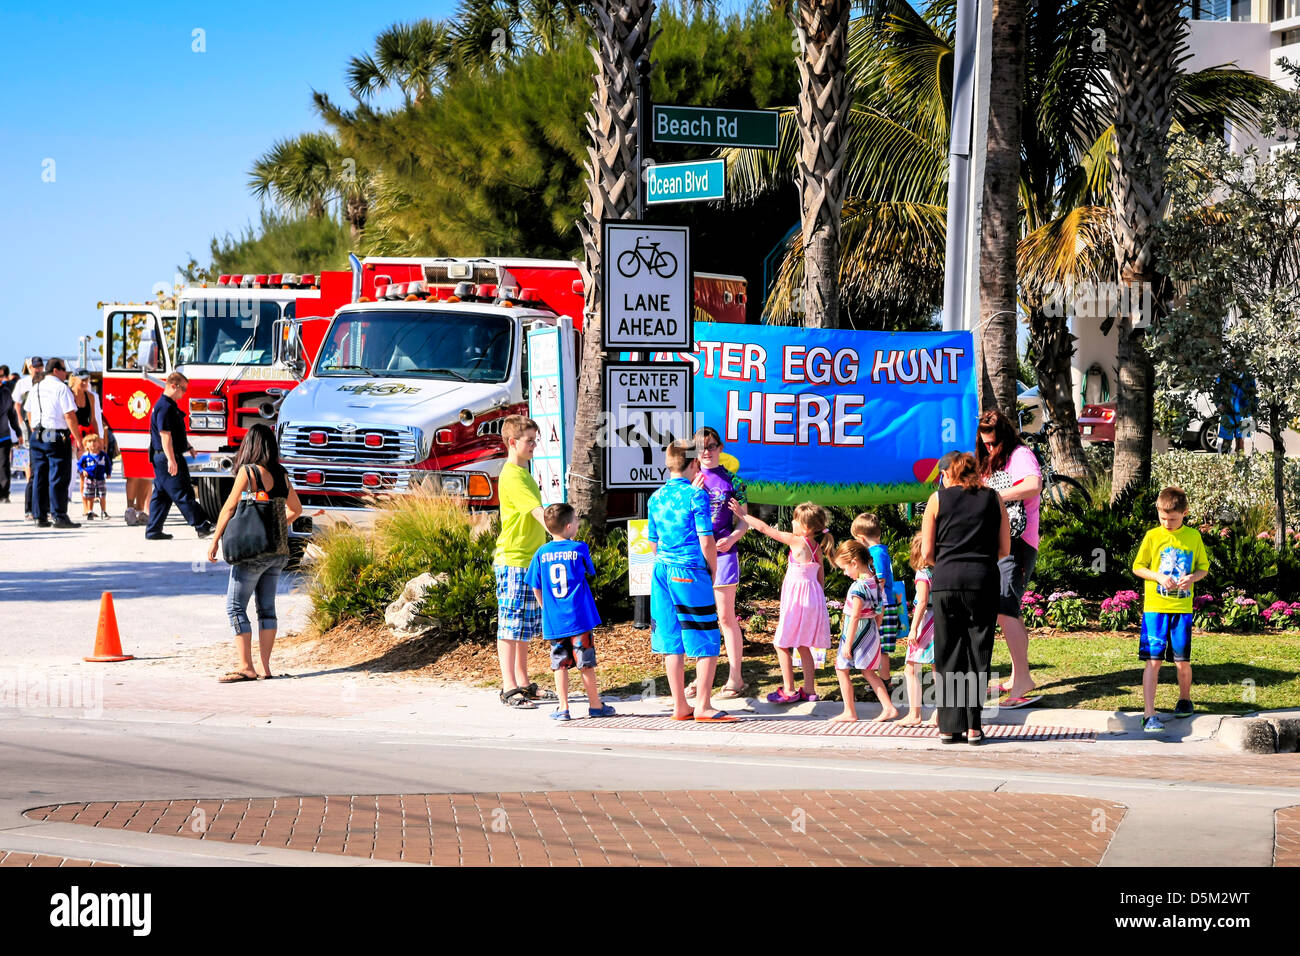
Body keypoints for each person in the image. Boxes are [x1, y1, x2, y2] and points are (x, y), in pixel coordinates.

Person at [921, 452, 1010, 745]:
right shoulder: (994, 498)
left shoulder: (938, 499)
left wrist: (947, 561)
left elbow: (926, 554)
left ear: (949, 474)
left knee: (948, 653)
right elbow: (1004, 550)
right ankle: (974, 726)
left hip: (946, 580)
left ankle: (949, 727)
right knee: (977, 652)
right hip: (982, 580)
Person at [648, 439, 736, 723]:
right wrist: (711, 570)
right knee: (706, 638)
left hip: (661, 570)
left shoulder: (655, 498)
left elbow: (653, 542)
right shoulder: (696, 496)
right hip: (689, 570)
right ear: (693, 463)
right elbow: (706, 539)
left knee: (672, 640)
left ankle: (680, 705)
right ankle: (704, 706)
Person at [207, 423, 302, 682]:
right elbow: (296, 509)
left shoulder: (248, 472)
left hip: (252, 553)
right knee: (267, 609)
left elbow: (228, 508)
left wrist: (215, 540)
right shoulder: (281, 474)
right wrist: (275, 525)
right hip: (277, 552)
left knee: (235, 606)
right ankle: (265, 667)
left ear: (249, 446)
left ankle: (246, 666)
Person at [731, 500, 833, 705]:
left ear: (805, 528)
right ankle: (809, 690)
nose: (792, 523)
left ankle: (789, 689)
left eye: (795, 520)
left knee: (781, 644)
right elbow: (820, 578)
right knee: (804, 645)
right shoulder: (816, 547)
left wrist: (743, 515)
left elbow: (765, 528)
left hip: (798, 601)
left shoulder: (797, 541)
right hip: (814, 597)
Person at [975, 408, 1042, 706]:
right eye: (984, 443)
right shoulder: (988, 458)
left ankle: (1023, 680)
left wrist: (997, 495)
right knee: (1009, 609)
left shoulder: (1020, 454)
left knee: (1004, 609)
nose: (989, 448)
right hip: (999, 543)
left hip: (1019, 543)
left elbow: (1033, 485)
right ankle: (1019, 676)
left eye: (993, 443)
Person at [526, 502, 616, 721]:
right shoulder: (579, 548)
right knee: (586, 662)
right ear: (568, 527)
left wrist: (544, 606)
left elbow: (535, 585)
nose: (578, 524)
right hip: (579, 617)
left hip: (555, 620)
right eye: (576, 521)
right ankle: (595, 705)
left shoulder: (540, 553)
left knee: (560, 664)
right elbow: (589, 570)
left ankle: (563, 707)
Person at [1132, 486, 1209, 734]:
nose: (1167, 523)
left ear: (1184, 513)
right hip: (1155, 609)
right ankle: (1149, 714)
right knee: (1153, 662)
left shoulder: (1193, 537)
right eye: (1163, 518)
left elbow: (1203, 569)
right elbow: (1138, 567)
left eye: (1173, 519)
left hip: (1182, 609)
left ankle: (1184, 700)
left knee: (1181, 662)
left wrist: (1192, 578)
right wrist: (1157, 576)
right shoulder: (1152, 536)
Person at [493, 415, 554, 709]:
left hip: (528, 558)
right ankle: (508, 687)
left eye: (535, 440)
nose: (533, 445)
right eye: (529, 441)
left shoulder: (523, 473)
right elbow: (536, 512)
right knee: (510, 625)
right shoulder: (513, 475)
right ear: (512, 442)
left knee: (524, 628)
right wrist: (559, 534)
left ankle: (522, 681)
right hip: (514, 559)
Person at [684, 426, 749, 700]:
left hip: (724, 555)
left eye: (711, 446)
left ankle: (736, 677)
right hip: (694, 556)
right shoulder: (688, 481)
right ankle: (702, 678)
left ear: (720, 448)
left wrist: (733, 537)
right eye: (701, 447)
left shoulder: (734, 481)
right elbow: (680, 518)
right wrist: (690, 494)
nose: (707, 452)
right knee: (699, 617)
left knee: (725, 616)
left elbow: (745, 521)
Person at [828, 540, 894, 723]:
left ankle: (850, 711)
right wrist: (875, 631)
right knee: (869, 672)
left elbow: (854, 617)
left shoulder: (858, 587)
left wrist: (848, 644)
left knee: (841, 669)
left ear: (854, 563)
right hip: (871, 632)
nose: (844, 573)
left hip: (856, 635)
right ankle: (888, 707)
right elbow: (880, 610)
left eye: (844, 568)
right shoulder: (875, 582)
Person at [145, 372, 212, 540]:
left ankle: (153, 530)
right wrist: (171, 460)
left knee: (162, 495)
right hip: (167, 455)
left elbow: (175, 433)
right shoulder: (165, 407)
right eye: (183, 389)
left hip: (164, 455)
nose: (184, 393)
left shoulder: (169, 405)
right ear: (174, 386)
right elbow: (165, 435)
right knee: (182, 492)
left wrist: (188, 446)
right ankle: (201, 524)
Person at [26, 357, 83, 529]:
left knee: (39, 476)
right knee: (58, 475)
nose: (66, 373)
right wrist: (78, 439)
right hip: (55, 434)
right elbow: (69, 415)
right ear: (56, 370)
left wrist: (35, 429)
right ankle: (59, 516)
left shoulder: (35, 388)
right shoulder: (61, 388)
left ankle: (39, 516)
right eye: (64, 369)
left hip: (38, 434)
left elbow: (28, 412)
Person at [852, 513, 900, 686]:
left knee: (881, 648)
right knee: (879, 647)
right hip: (884, 605)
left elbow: (880, 580)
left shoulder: (876, 553)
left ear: (861, 538)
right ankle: (883, 681)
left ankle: (885, 681)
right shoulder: (880, 551)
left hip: (883, 607)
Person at [899, 532, 937, 727]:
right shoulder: (940, 569)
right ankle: (940, 714)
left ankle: (915, 714)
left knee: (911, 668)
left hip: (926, 623)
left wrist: (913, 629)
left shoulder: (923, 574)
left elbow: (922, 602)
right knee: (938, 669)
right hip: (941, 620)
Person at [13, 356, 43, 520]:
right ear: (29, 368)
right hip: (25, 425)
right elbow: (16, 404)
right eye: (34, 367)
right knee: (29, 467)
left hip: (42, 426)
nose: (37, 369)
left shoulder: (46, 381)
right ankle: (29, 508)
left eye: (39, 366)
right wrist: (19, 422)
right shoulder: (22, 383)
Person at [76, 433, 111, 520]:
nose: (92, 443)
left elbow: (108, 464)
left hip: (100, 478)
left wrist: (108, 472)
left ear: (99, 443)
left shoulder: (103, 455)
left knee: (102, 495)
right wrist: (82, 471)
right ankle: (90, 511)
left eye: (95, 441)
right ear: (86, 444)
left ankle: (104, 511)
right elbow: (79, 464)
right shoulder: (86, 455)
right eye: (89, 441)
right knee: (90, 496)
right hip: (89, 479)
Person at [0, 373, 20, 503]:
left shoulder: (5, 393)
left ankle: (4, 494)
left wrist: (18, 432)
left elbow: (11, 414)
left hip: (3, 435)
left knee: (3, 465)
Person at [68, 372, 103, 439]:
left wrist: (98, 438)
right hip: (71, 434)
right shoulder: (68, 394)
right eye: (83, 380)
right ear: (74, 380)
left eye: (87, 380)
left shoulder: (90, 396)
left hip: (86, 435)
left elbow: (93, 419)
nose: (85, 383)